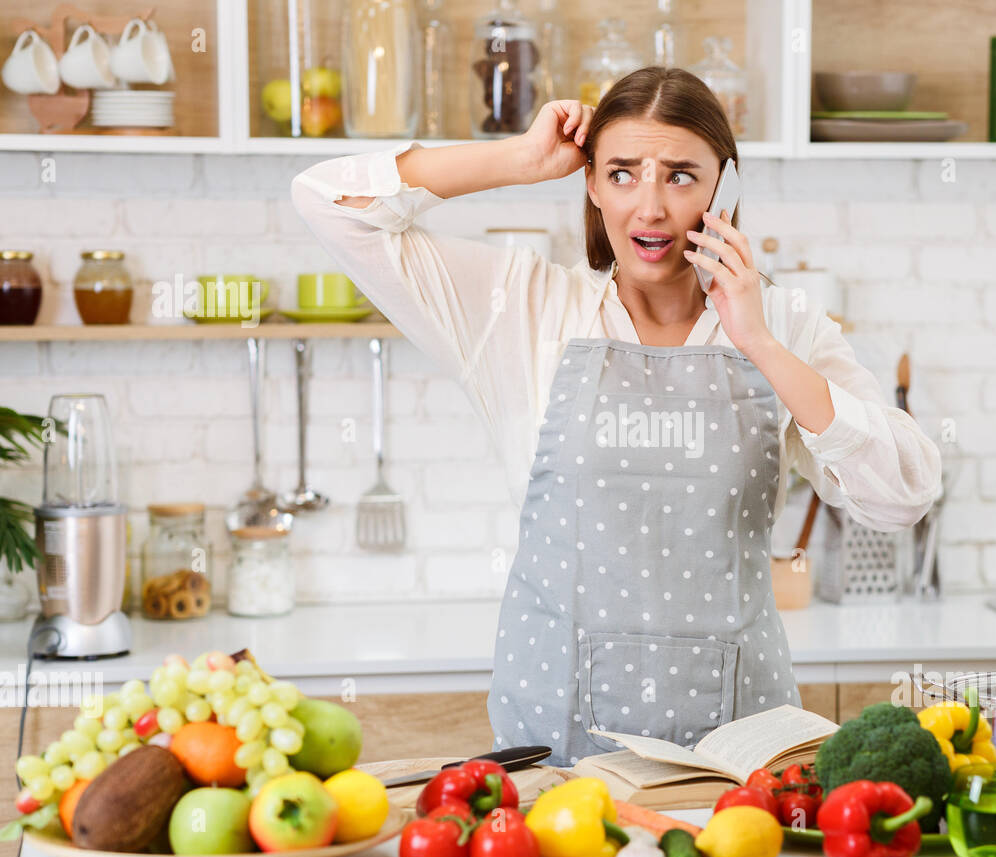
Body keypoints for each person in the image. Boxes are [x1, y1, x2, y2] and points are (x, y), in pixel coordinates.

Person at [290, 66, 943, 768]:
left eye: (682, 176)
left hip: (739, 761)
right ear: (592, 184)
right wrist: (518, 159)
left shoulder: (785, 327)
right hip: (559, 755)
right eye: (624, 173)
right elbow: (328, 201)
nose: (651, 207)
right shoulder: (523, 310)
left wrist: (757, 339)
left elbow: (903, 492)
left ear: (727, 187)